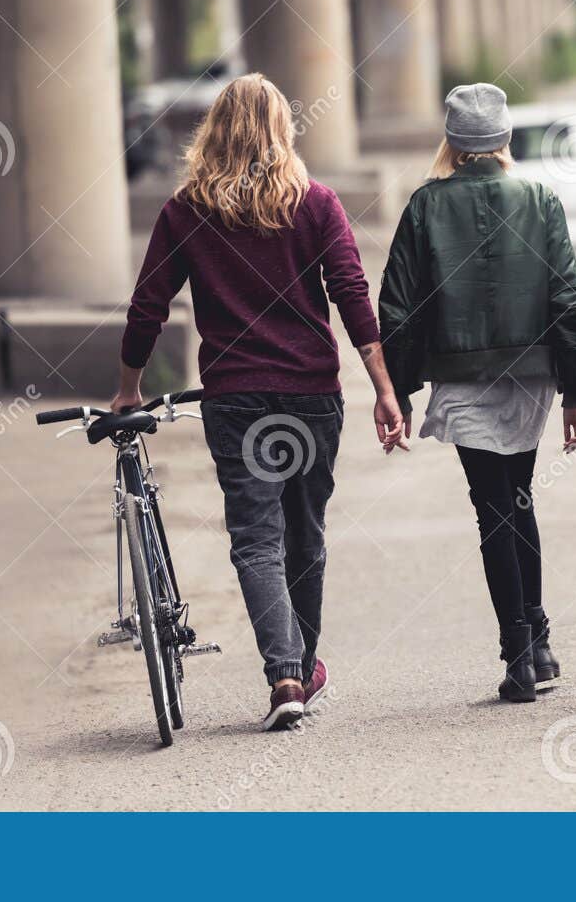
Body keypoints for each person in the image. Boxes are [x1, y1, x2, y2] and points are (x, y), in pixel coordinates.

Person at [114, 73, 405, 733]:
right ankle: (299, 662)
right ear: (281, 132)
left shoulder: (187, 210)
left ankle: (285, 674)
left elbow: (147, 308)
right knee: (304, 533)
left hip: (237, 399)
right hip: (310, 396)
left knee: (255, 538)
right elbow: (353, 299)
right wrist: (384, 388)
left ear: (213, 133)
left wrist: (128, 386)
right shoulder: (318, 204)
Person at [379, 83, 576, 703]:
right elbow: (567, 302)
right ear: (502, 139)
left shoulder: (424, 205)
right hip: (531, 376)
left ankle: (519, 654)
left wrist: (398, 392)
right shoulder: (539, 199)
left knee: (492, 510)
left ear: (453, 140)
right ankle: (541, 641)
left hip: (462, 378)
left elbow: (396, 307)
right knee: (520, 499)